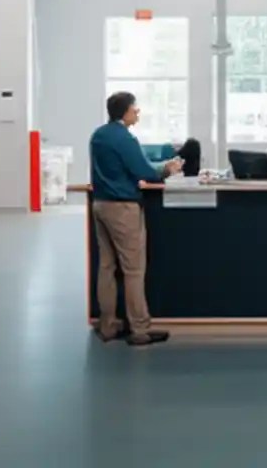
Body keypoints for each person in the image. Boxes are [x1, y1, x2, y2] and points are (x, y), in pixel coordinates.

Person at [90, 91, 182, 346]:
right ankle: (139, 329)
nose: (138, 112)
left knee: (107, 267)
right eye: (135, 108)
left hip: (100, 204)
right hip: (123, 208)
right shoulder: (125, 139)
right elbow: (144, 171)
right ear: (125, 111)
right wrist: (168, 168)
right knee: (133, 269)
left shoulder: (98, 135)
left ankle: (107, 326)